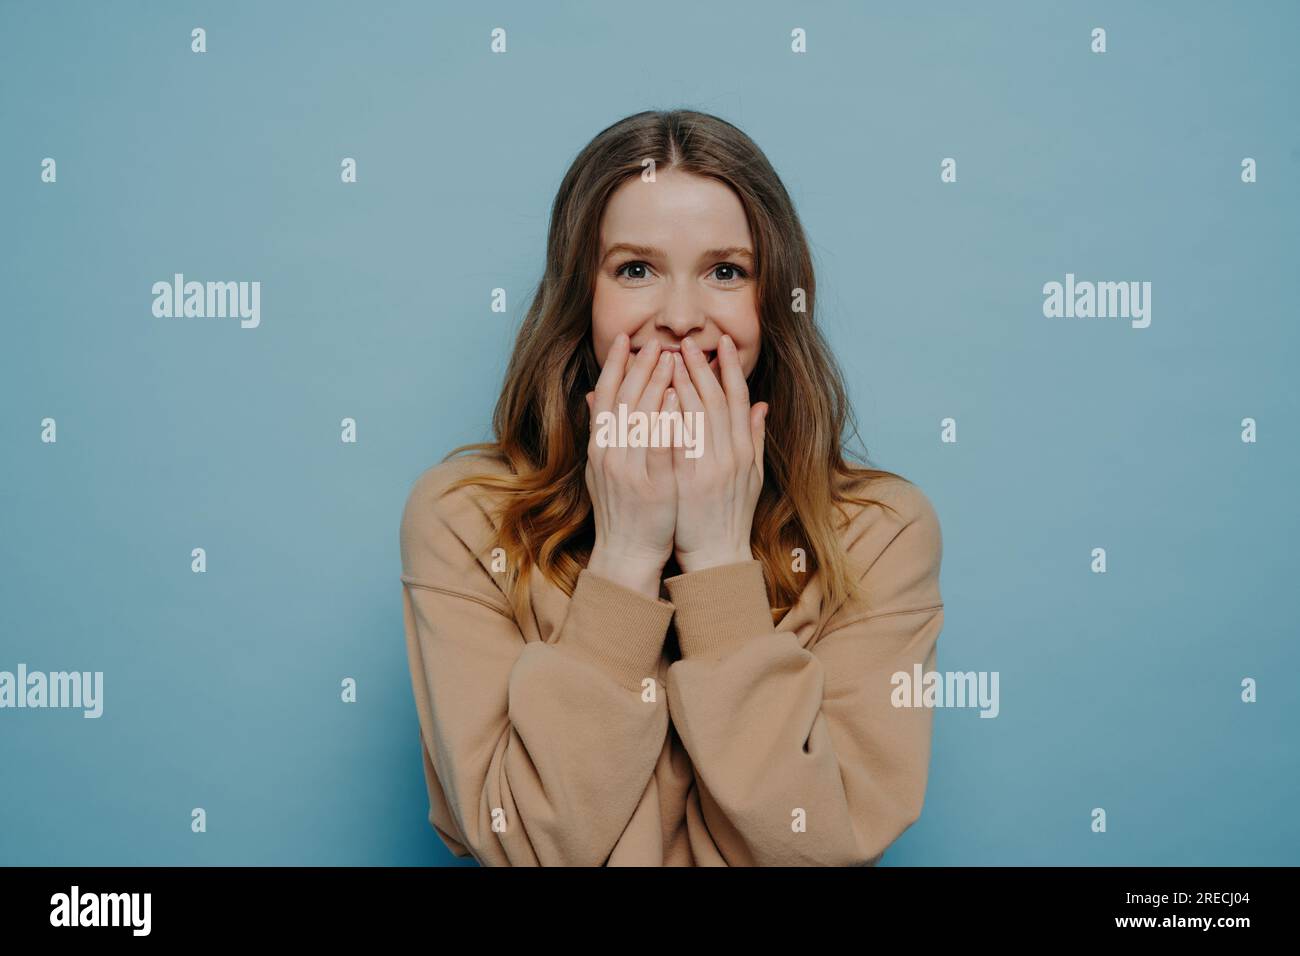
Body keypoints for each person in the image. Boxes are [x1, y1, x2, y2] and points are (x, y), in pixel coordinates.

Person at [399, 109, 944, 866]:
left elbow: (821, 846)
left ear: (774, 297)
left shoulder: (881, 531)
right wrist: (625, 556)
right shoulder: (462, 518)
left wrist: (719, 560)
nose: (681, 319)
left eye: (727, 272)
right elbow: (524, 845)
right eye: (634, 269)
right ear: (579, 299)